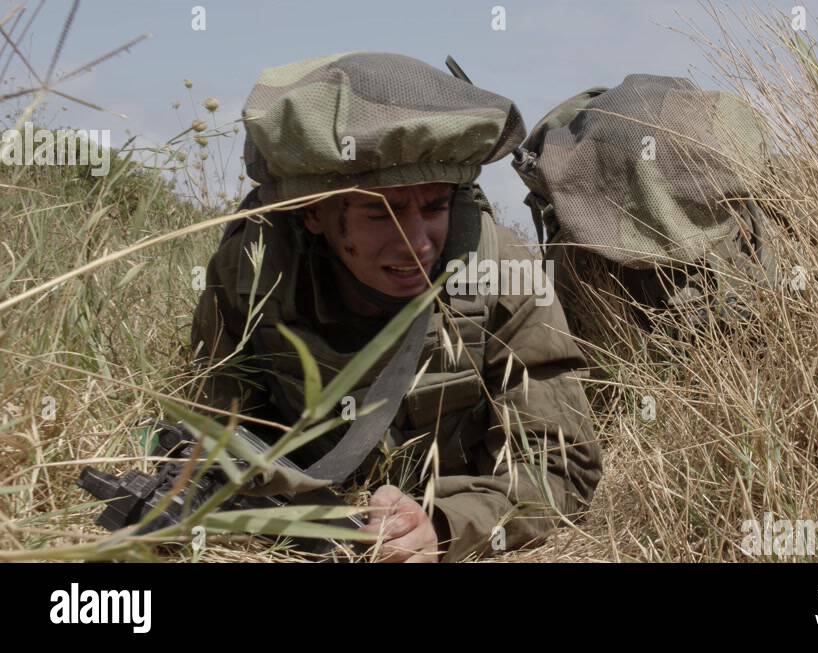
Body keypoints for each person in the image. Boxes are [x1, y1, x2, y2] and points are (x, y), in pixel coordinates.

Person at [190, 52, 602, 562]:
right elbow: (214, 433)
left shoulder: (502, 272)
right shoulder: (253, 271)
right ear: (315, 214)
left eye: (435, 207)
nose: (417, 243)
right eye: (380, 213)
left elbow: (562, 468)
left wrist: (443, 526)